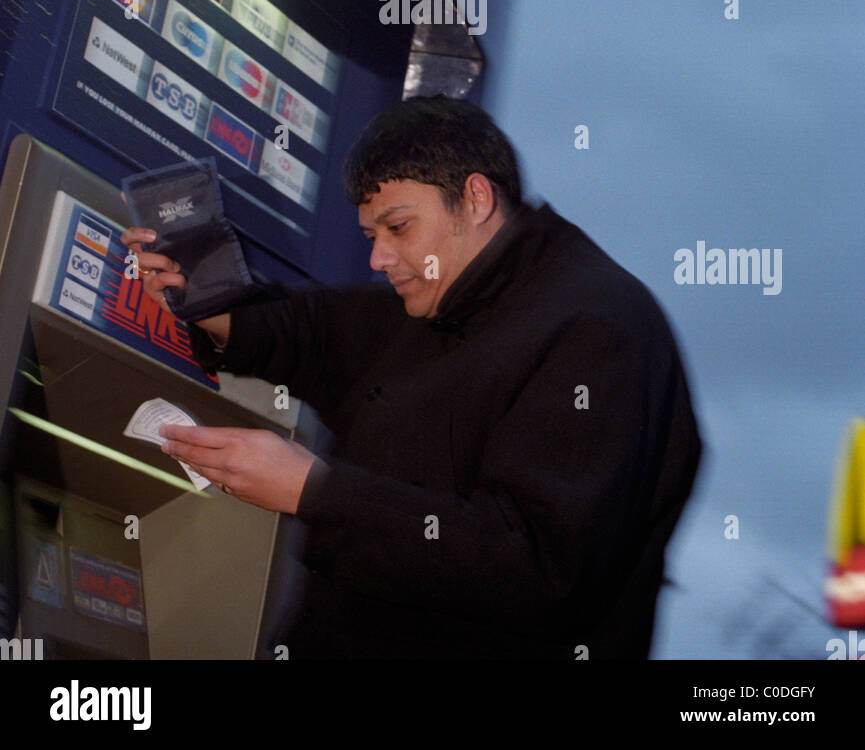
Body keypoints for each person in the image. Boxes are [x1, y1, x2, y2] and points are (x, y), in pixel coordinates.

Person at [122, 95, 701, 660]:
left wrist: (316, 491)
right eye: (372, 236)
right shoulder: (444, 299)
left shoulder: (599, 329)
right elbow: (316, 332)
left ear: (474, 198)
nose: (379, 258)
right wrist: (209, 301)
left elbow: (535, 567)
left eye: (398, 228)